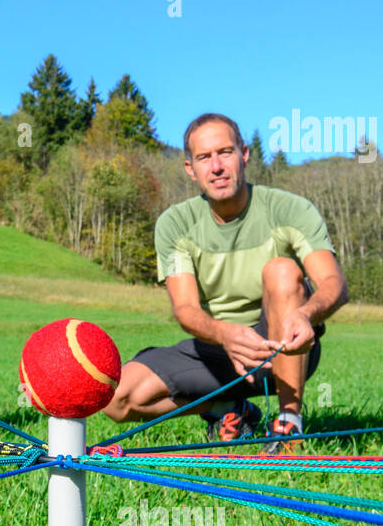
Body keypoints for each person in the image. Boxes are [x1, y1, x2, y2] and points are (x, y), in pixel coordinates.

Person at [103, 112, 348, 453]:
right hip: (217, 347)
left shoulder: (290, 209)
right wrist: (225, 335)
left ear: (244, 154)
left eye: (225, 152)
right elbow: (185, 309)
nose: (216, 166)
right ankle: (231, 410)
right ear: (191, 169)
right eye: (204, 158)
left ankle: (288, 425)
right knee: (115, 397)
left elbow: (334, 282)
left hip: (283, 347)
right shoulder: (175, 224)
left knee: (280, 269)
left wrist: (306, 315)